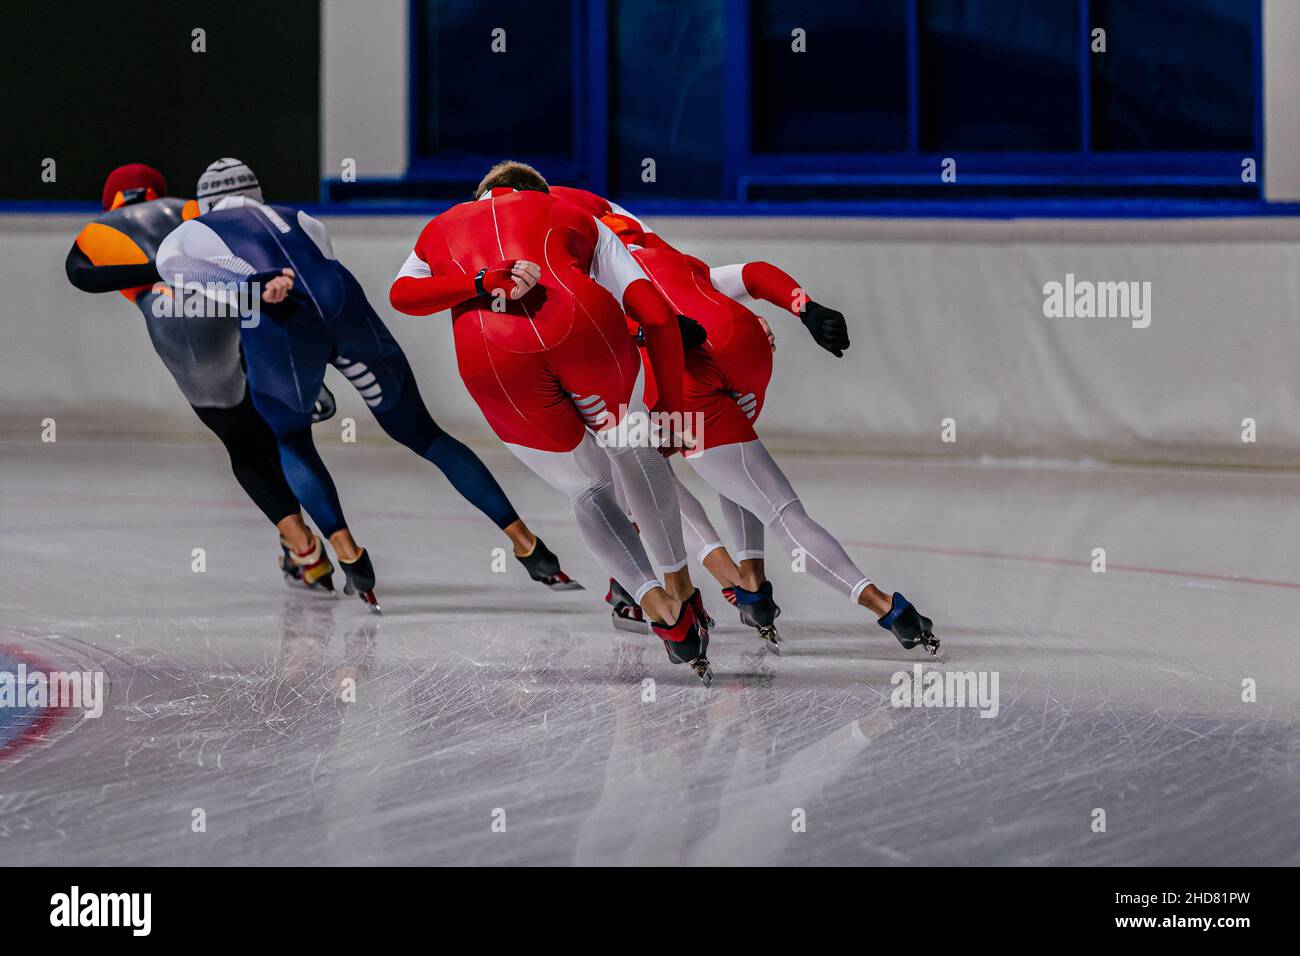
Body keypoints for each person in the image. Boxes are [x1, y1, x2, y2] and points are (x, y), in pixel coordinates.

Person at [155, 158, 577, 612]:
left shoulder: (186, 235)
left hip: (283, 325)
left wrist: (256, 294)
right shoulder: (301, 218)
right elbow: (321, 267)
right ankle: (528, 545)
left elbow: (184, 276)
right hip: (344, 306)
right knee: (426, 434)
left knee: (292, 440)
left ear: (204, 203)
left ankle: (350, 557)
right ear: (257, 194)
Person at [548, 184, 940, 656]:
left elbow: (611, 334)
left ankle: (886, 606)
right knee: (732, 469)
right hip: (745, 342)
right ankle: (752, 585)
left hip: (688, 370)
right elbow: (754, 274)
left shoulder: (593, 279)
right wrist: (806, 308)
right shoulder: (666, 253)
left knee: (650, 474)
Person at [388, 161, 716, 684]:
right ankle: (680, 585)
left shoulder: (442, 224)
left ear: (483, 194)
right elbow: (655, 314)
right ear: (539, 192)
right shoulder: (575, 213)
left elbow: (401, 297)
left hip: (493, 356)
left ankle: (662, 611)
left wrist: (474, 282)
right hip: (588, 332)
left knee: (586, 488)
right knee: (632, 445)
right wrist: (671, 407)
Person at [65, 163, 335, 590]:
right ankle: (308, 537)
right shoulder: (190, 208)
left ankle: (302, 548)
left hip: (176, 320)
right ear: (158, 190)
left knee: (242, 444)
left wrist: (160, 271)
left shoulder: (100, 229)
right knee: (269, 429)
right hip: (238, 307)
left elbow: (80, 275)